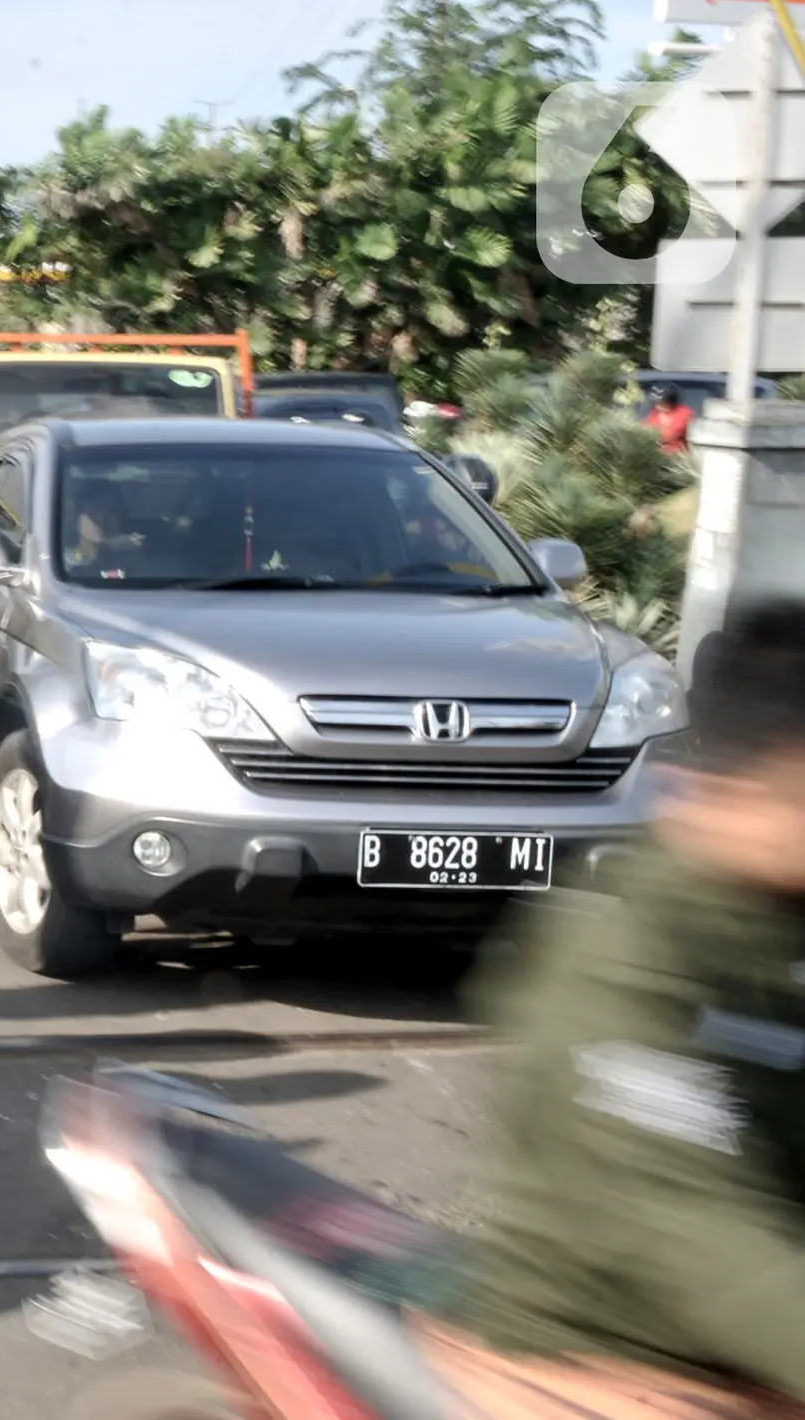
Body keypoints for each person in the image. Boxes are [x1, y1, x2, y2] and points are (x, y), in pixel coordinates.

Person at [438, 601, 805, 1410]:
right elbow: (695, 1230)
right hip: (605, 1360)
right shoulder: (632, 958)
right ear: (758, 781)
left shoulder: (782, 925)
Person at [646, 384, 694, 454]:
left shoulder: (684, 414)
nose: (657, 406)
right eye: (655, 403)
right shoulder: (654, 414)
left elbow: (674, 434)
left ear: (671, 402)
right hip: (656, 456)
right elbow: (645, 431)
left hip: (677, 455)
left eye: (661, 403)